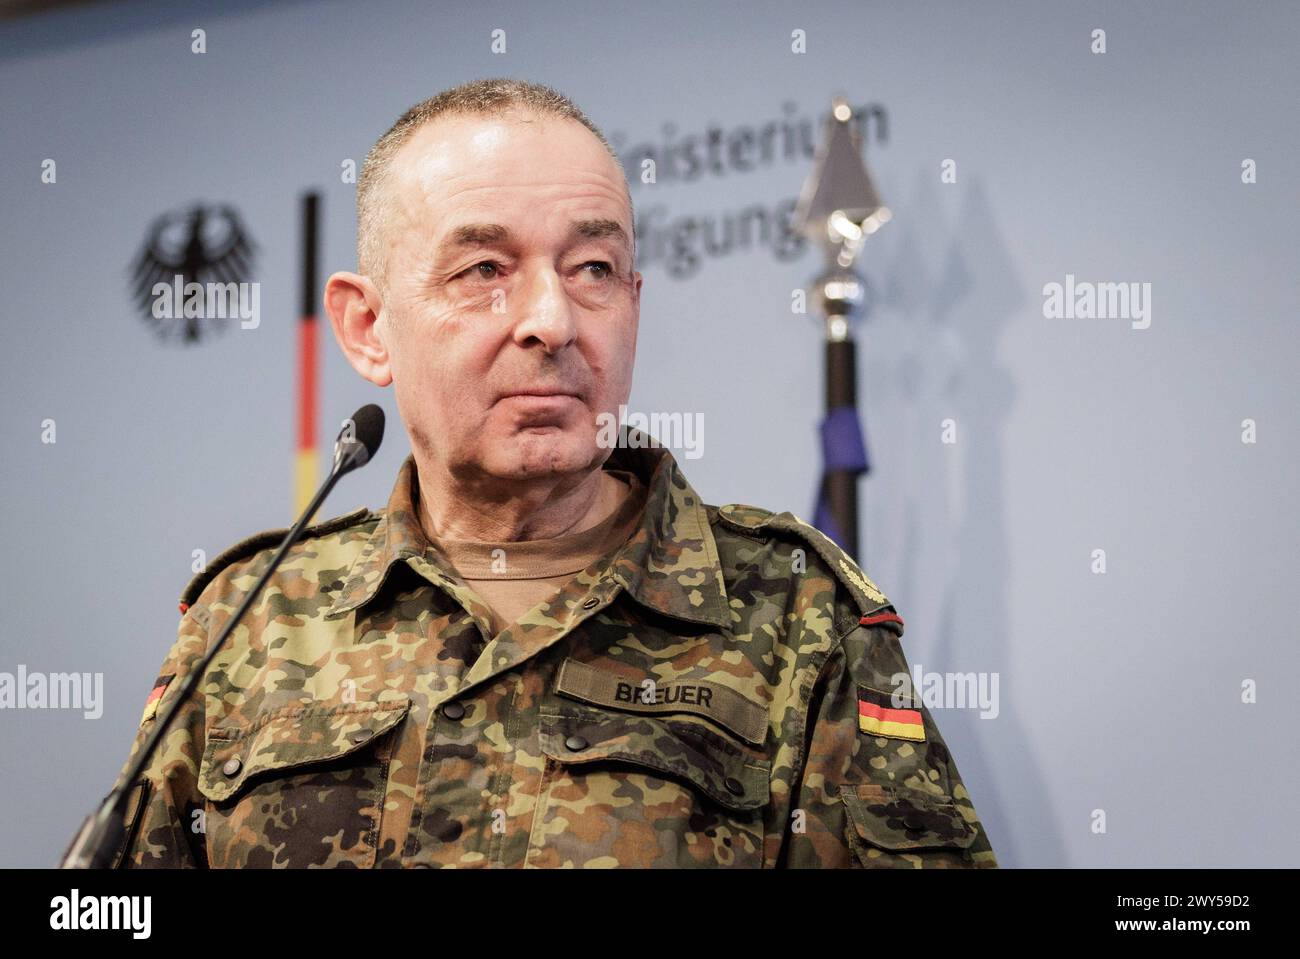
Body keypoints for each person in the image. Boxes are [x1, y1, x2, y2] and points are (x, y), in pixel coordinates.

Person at [105, 77, 996, 868]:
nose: (551, 319)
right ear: (369, 328)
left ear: (633, 304)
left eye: (593, 268)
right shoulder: (246, 619)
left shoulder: (803, 616)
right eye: (485, 269)